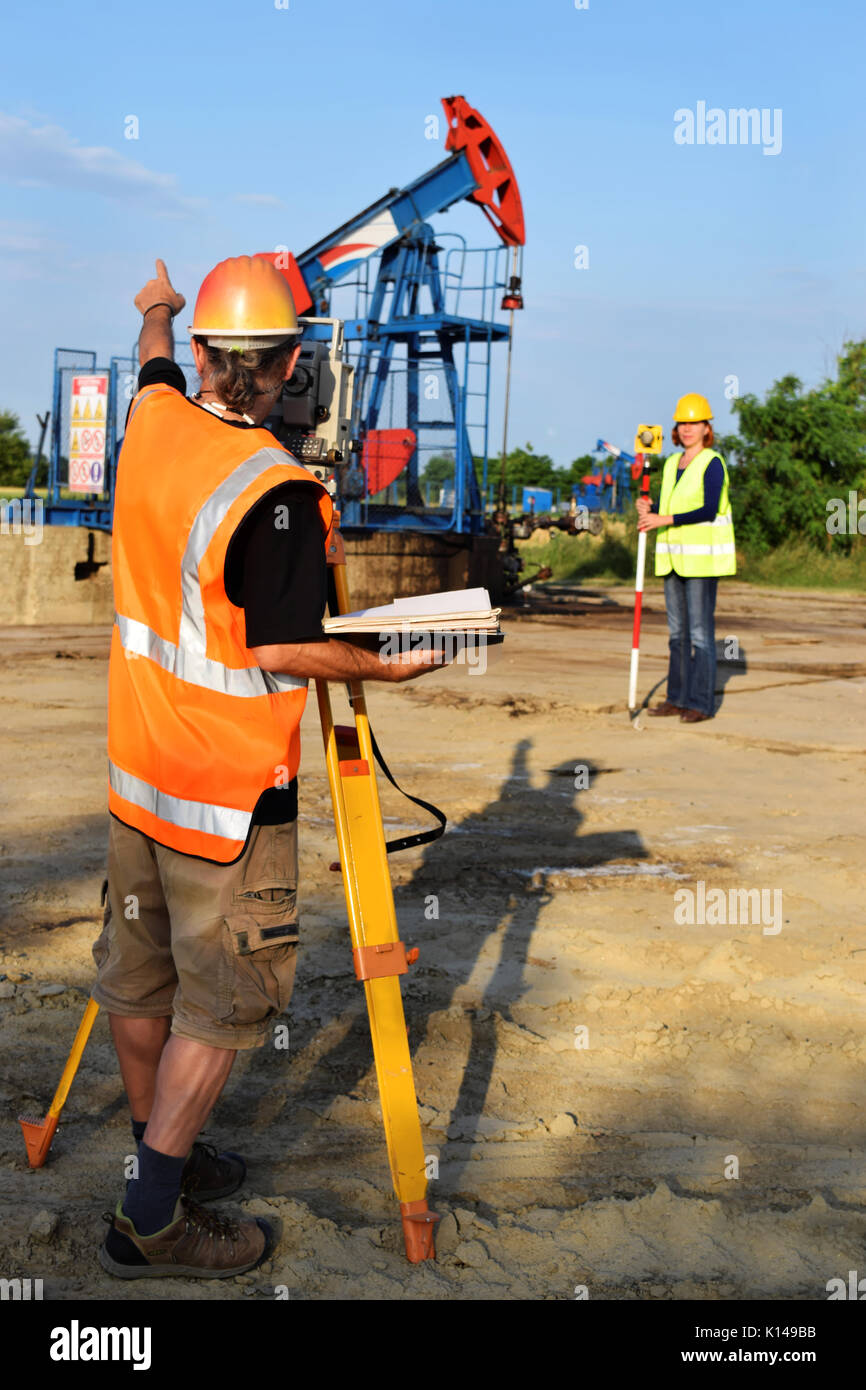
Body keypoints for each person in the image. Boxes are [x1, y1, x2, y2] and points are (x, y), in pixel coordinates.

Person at [94, 256, 445, 1280]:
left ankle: (170, 1149)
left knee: (139, 976)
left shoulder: (152, 420)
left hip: (136, 780)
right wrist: (390, 659)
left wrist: (155, 301)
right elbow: (283, 648)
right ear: (295, 362)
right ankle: (149, 1218)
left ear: (204, 355)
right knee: (219, 1003)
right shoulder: (278, 494)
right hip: (227, 801)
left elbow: (150, 358)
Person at [636, 393, 736, 723]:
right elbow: (672, 508)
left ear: (707, 428)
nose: (688, 428)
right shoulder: (669, 464)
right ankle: (676, 699)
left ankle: (701, 704)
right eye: (683, 423)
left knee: (700, 634)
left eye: (695, 423)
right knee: (677, 635)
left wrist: (664, 519)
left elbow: (707, 509)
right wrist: (651, 511)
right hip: (673, 560)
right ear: (676, 429)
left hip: (701, 562)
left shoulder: (713, 463)